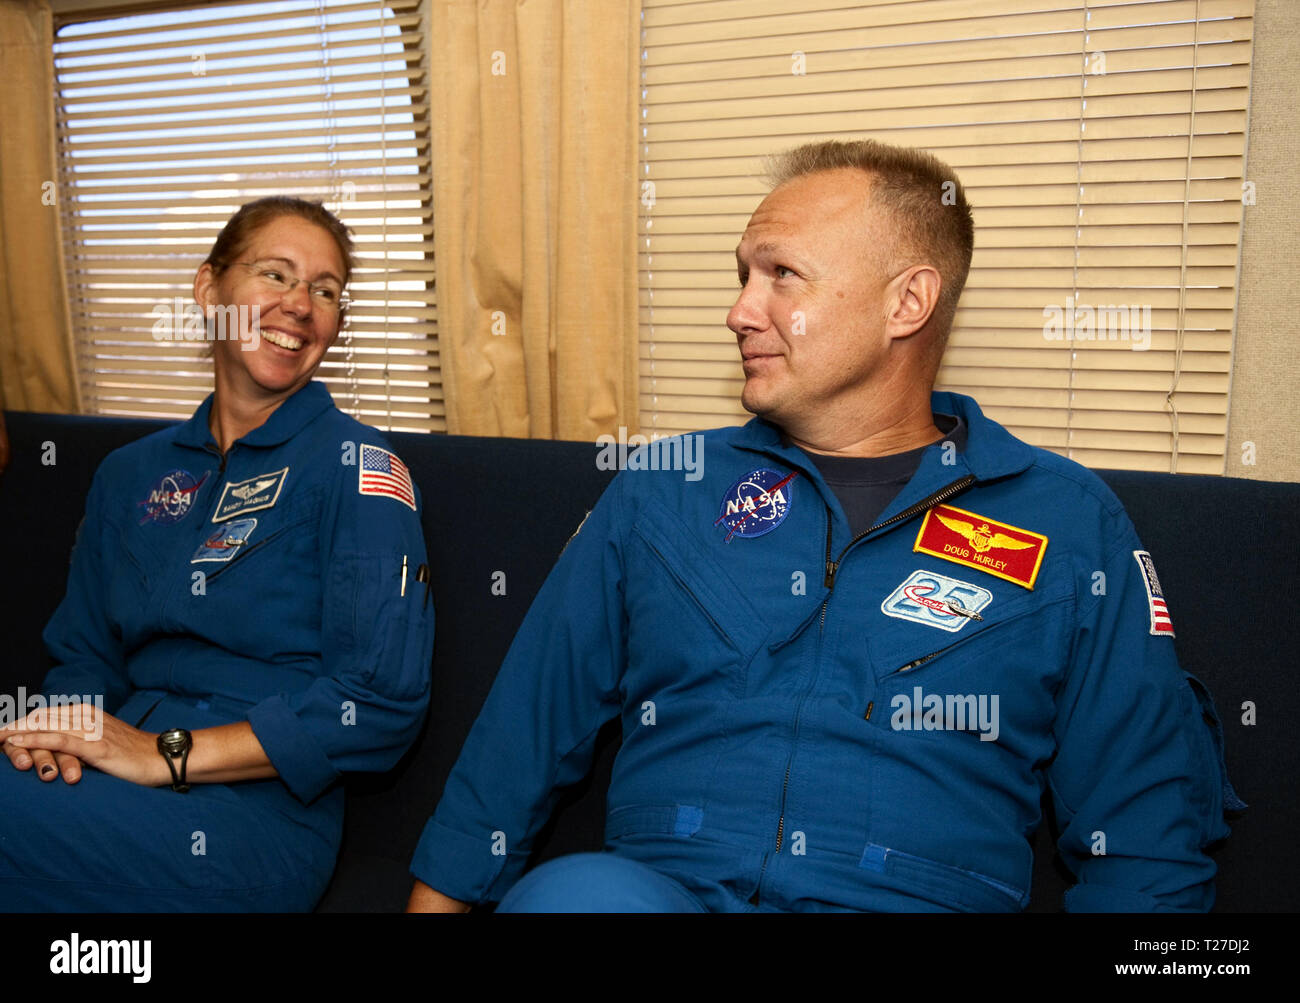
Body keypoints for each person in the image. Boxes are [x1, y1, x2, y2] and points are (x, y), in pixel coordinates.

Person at [407, 139, 1237, 913]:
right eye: (742, 274)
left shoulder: (1066, 521)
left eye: (782, 274)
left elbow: (1145, 838)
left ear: (906, 301)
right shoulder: (667, 487)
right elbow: (520, 735)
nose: (739, 310)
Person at [0, 197, 435, 911]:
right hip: (104, 777)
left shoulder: (358, 465)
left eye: (325, 290)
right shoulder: (128, 474)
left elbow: (376, 703)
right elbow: (85, 654)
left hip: (251, 815)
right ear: (209, 291)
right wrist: (58, 736)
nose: (300, 304)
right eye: (276, 274)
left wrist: (164, 753)